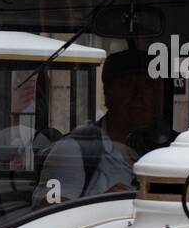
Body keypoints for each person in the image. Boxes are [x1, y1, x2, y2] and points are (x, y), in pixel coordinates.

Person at [32, 49, 175, 206]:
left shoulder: (175, 150)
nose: (139, 95)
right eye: (128, 85)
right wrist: (100, 206)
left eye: (148, 85)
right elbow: (50, 212)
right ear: (107, 94)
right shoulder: (74, 150)